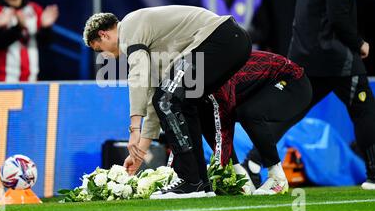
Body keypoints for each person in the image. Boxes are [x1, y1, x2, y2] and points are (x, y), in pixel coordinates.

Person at [83, 6, 252, 199]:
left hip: (221, 39)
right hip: (232, 41)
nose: (106, 56)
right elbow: (155, 100)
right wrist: (140, 152)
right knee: (180, 102)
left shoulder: (128, 27)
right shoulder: (152, 44)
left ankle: (189, 180)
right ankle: (201, 184)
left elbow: (138, 77)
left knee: (168, 100)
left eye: (99, 50)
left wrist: (135, 129)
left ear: (103, 34)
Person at [128, 50, 312, 196]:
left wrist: (225, 168)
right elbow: (166, 115)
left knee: (248, 113)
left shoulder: (211, 77)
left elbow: (223, 124)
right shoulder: (186, 78)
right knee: (204, 114)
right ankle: (243, 176)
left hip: (291, 80)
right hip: (262, 86)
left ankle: (277, 177)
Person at [289, 0, 375, 190]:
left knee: (290, 111)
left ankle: (255, 161)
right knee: (365, 109)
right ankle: (373, 175)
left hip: (309, 55)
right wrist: (358, 42)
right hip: (335, 57)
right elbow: (338, 16)